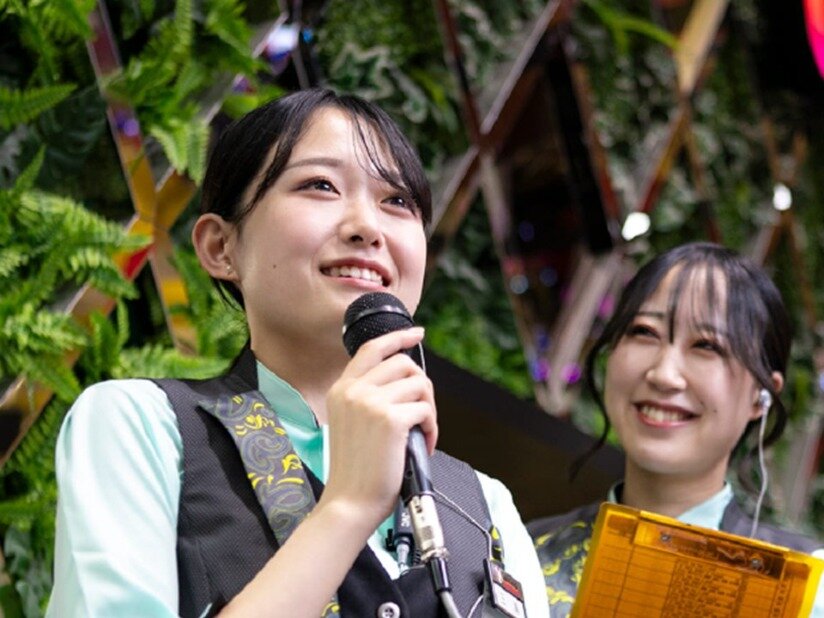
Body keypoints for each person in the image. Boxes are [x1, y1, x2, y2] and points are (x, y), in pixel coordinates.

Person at [48, 88, 547, 617]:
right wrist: (347, 506)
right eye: (320, 185)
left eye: (397, 201)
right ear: (221, 247)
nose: (367, 227)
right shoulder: (145, 426)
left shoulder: (483, 504)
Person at [528, 242, 824, 617]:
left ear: (761, 395)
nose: (664, 375)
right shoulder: (522, 556)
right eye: (644, 332)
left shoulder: (809, 592)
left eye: (707, 345)